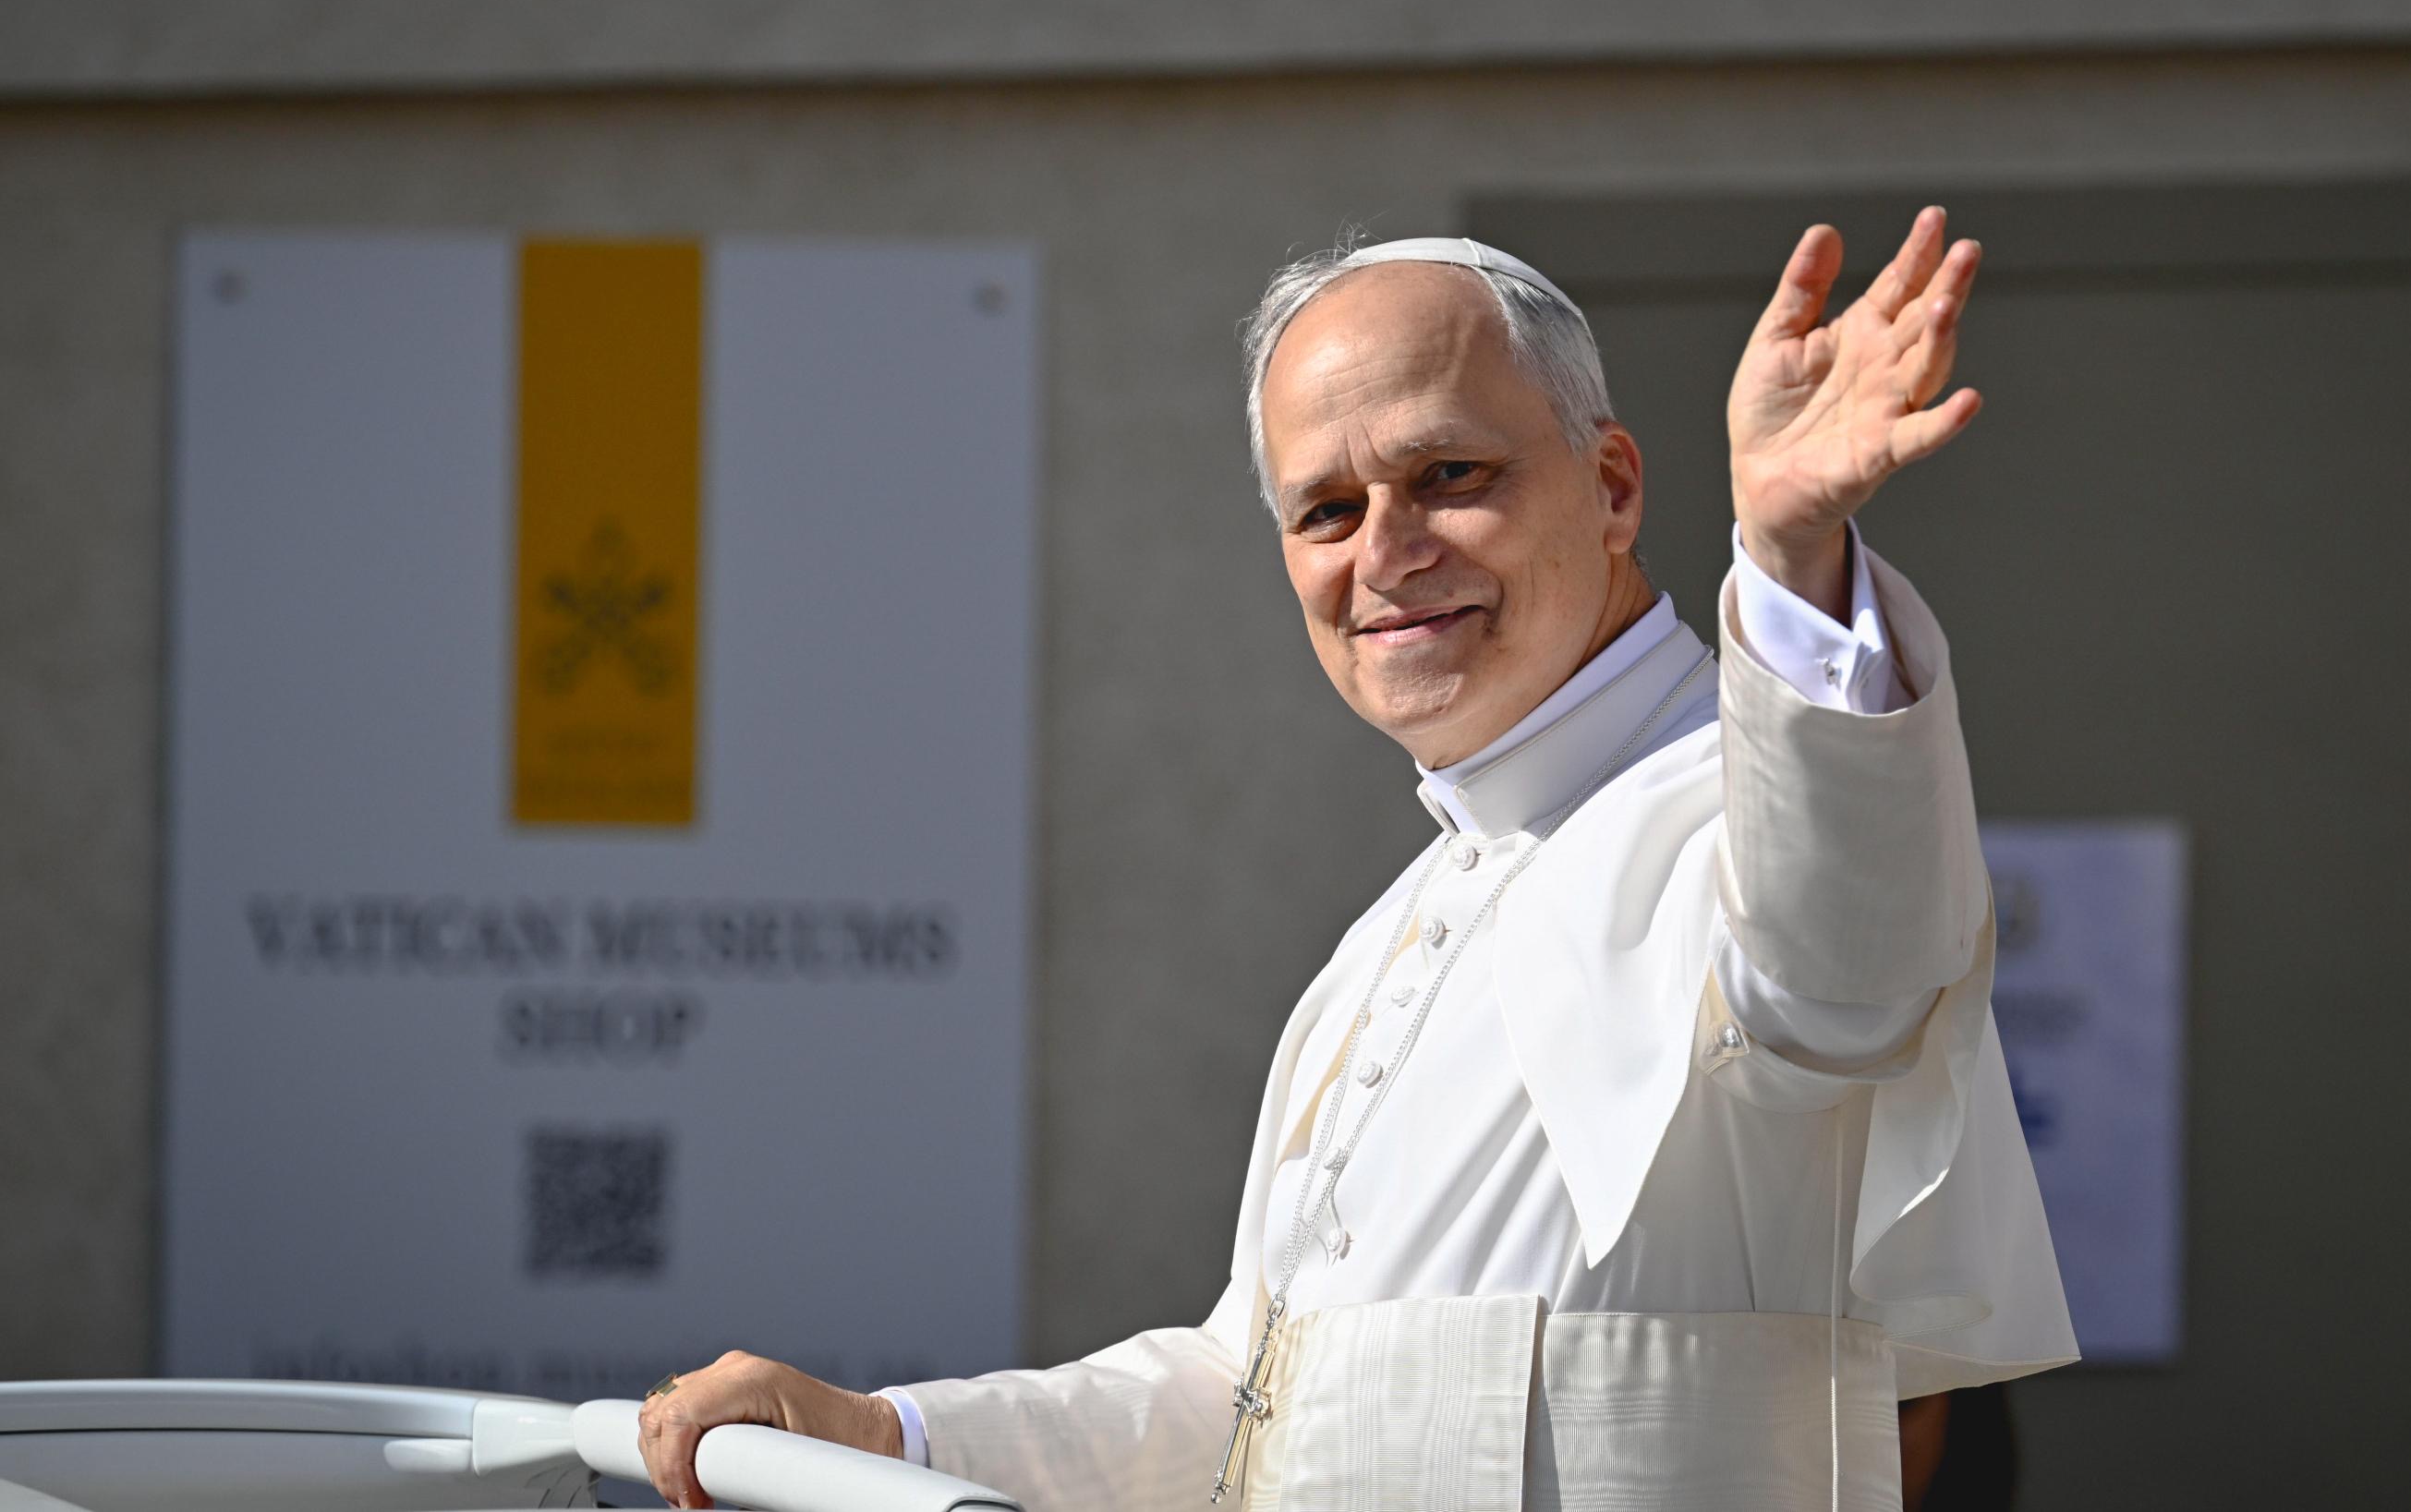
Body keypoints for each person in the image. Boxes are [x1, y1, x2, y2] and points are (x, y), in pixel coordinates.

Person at [636, 209, 2078, 1510]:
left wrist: (1787, 563)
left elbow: (1841, 979)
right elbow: (1243, 1403)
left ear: (1615, 488)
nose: (1383, 553)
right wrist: (884, 1437)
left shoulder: (1731, 805)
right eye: (1323, 510)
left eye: (1447, 474)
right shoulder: (1391, 933)